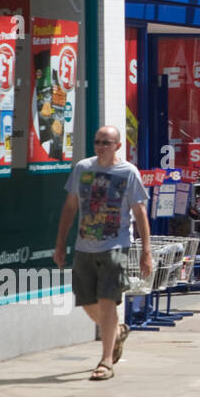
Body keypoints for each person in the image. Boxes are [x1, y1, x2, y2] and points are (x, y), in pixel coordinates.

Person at [53, 126, 152, 381]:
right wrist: (60, 243)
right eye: (97, 141)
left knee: (108, 300)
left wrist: (146, 252)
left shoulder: (128, 172)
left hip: (116, 245)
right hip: (84, 246)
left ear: (117, 146)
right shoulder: (82, 169)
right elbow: (70, 206)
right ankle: (116, 332)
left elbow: (140, 213)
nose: (100, 146)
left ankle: (106, 361)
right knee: (87, 301)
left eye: (106, 142)